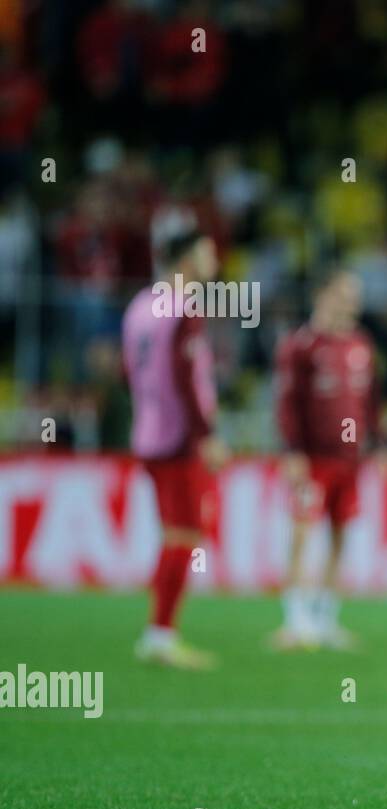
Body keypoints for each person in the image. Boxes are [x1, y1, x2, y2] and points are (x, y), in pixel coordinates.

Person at [122, 228, 227, 668]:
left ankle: (158, 629)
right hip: (178, 438)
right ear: (187, 260)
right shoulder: (183, 310)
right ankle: (161, 634)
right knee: (183, 535)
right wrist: (205, 436)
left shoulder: (140, 306)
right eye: (207, 253)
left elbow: (129, 372)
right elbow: (186, 380)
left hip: (147, 431)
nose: (214, 262)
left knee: (174, 535)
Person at [273, 269, 387, 649]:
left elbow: (371, 402)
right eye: (344, 293)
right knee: (303, 532)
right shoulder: (302, 345)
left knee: (340, 536)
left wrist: (383, 444)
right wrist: (293, 452)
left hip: (350, 459)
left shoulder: (361, 343)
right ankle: (294, 618)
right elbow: (288, 403)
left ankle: (324, 618)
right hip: (314, 458)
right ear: (323, 294)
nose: (352, 302)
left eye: (354, 295)